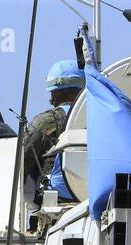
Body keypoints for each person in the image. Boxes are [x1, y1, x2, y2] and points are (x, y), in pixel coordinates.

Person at [23, 59, 85, 188]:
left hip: (56, 198)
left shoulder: (46, 121)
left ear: (54, 92)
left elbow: (21, 160)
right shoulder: (99, 117)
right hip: (95, 196)